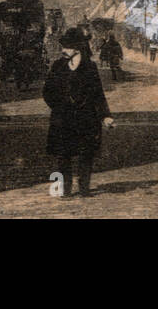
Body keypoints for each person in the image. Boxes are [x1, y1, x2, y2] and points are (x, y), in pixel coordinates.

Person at [43, 27, 114, 197]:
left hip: (86, 118)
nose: (63, 50)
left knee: (86, 154)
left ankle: (84, 189)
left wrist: (106, 115)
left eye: (67, 47)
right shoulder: (58, 66)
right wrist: (58, 105)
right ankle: (65, 190)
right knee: (62, 156)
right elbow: (47, 91)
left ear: (77, 48)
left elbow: (98, 93)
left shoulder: (90, 67)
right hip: (63, 118)